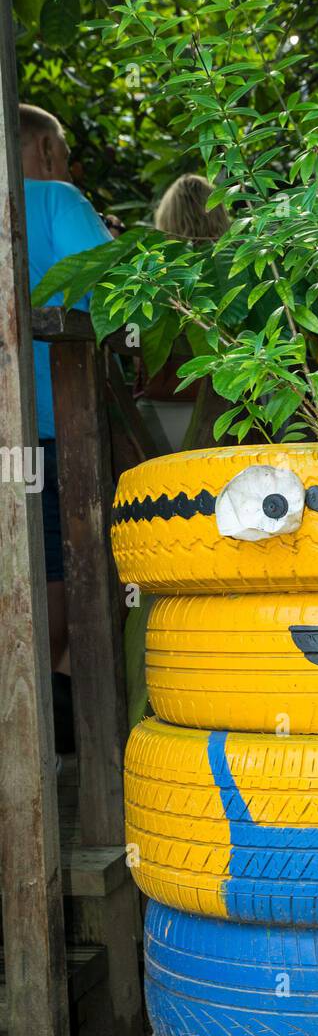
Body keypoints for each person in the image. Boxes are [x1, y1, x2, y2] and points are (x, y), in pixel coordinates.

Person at [21, 105, 113, 746]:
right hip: (55, 421)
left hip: (14, 430)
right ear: (49, 152)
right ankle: (44, 716)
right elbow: (117, 286)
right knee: (59, 562)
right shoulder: (55, 198)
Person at [136, 175, 229, 451]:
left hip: (164, 416)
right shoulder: (233, 269)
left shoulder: (152, 274)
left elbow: (151, 378)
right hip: (229, 414)